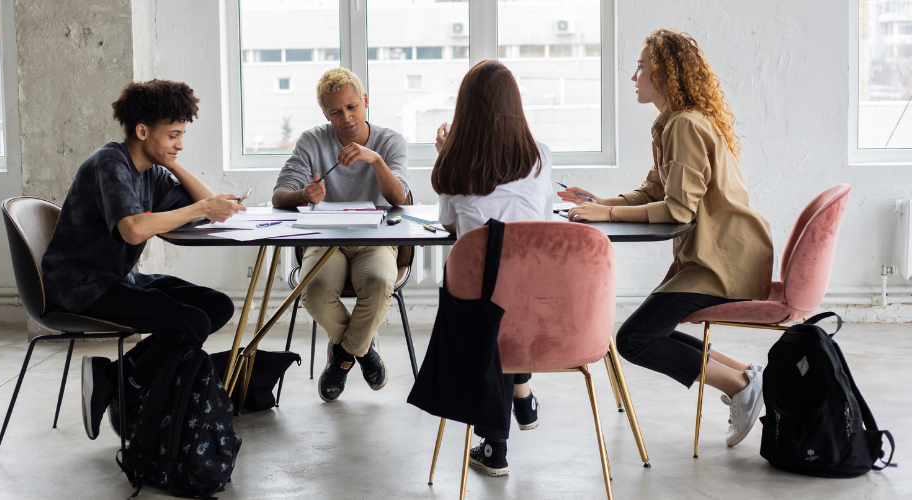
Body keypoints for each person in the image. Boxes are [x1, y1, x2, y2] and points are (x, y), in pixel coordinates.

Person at [559, 29, 774, 447]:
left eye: (641, 66)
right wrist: (601, 201)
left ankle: (740, 388)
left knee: (634, 339)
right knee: (646, 330)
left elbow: (678, 210)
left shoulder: (685, 126)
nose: (634, 75)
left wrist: (607, 213)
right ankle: (747, 375)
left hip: (725, 263)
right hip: (713, 258)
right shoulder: (671, 123)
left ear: (664, 72)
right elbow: (654, 191)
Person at [41, 79, 245, 440]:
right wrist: (200, 206)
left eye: (181, 135)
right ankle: (127, 384)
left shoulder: (149, 171)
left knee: (216, 307)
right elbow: (133, 229)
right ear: (141, 130)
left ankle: (114, 377)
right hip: (79, 285)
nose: (180, 144)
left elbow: (207, 209)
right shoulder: (110, 163)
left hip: (114, 278)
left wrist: (173, 164)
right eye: (173, 136)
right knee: (190, 323)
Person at [433, 59, 555, 476]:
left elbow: (449, 225)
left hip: (473, 308)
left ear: (465, 110)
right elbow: (540, 223)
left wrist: (444, 155)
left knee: (492, 305)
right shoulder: (540, 157)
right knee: (510, 295)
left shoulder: (455, 165)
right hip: (535, 300)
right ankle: (521, 392)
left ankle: (496, 447)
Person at [272, 68, 409, 402]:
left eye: (351, 107)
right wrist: (304, 195)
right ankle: (363, 350)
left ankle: (342, 357)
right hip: (324, 238)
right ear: (325, 113)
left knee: (378, 283)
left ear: (364, 101)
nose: (346, 117)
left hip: (375, 238)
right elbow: (279, 196)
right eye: (335, 111)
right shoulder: (311, 140)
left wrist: (375, 160)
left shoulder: (389, 141)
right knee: (314, 291)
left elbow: (399, 198)